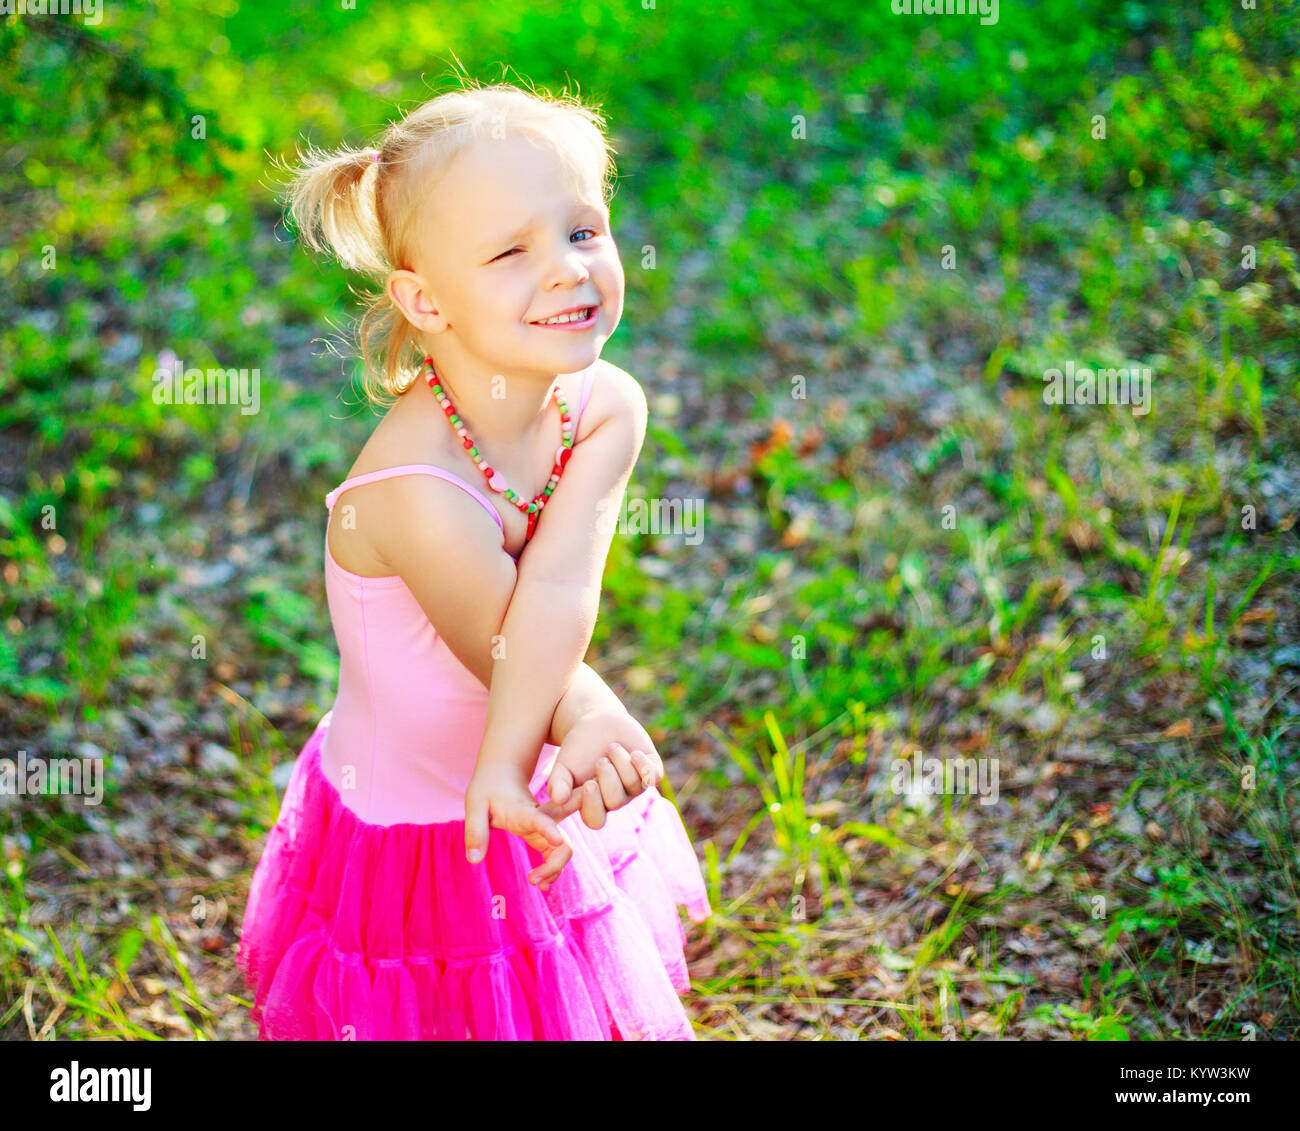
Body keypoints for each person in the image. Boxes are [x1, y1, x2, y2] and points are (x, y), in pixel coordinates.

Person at [235, 78, 711, 1041]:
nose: (568, 270)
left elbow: (559, 588)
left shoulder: (604, 405)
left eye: (584, 231)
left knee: (545, 988)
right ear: (423, 298)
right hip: (415, 829)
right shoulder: (415, 491)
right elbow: (499, 646)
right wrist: (565, 727)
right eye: (511, 252)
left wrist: (581, 722)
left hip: (513, 775)